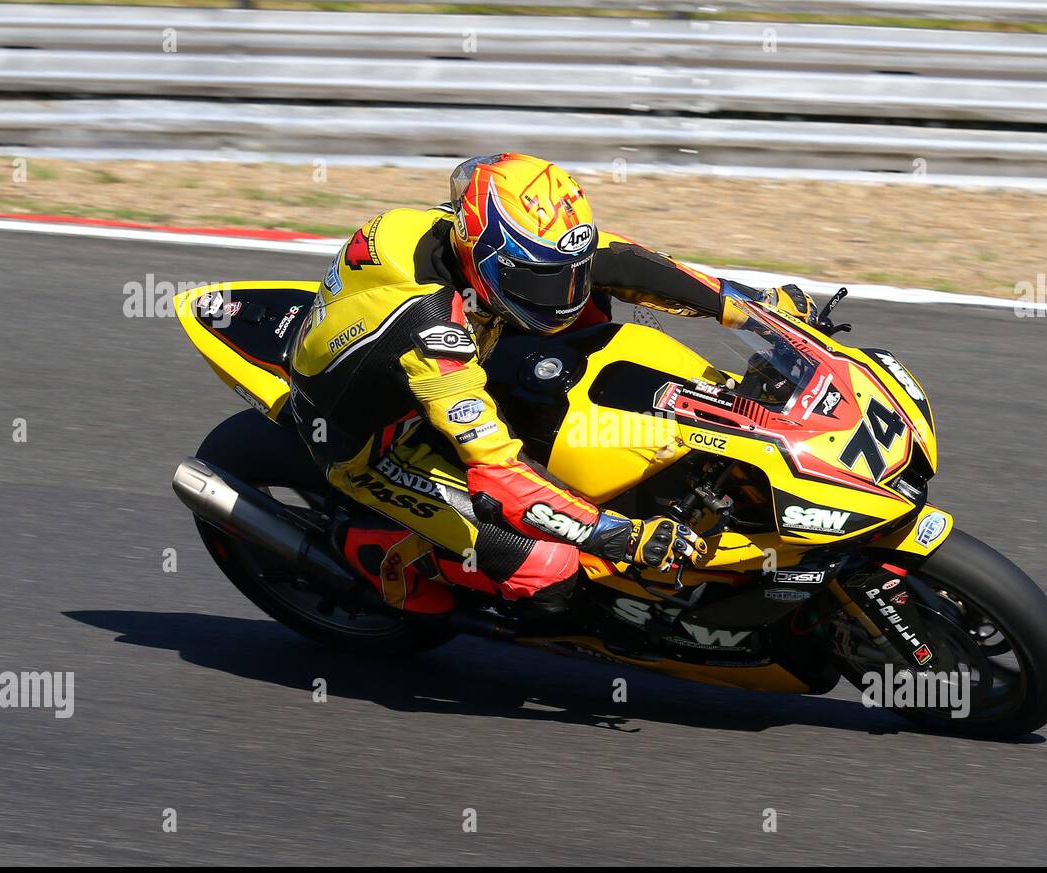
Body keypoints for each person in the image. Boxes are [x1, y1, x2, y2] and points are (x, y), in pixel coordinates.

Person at [287, 153, 817, 617]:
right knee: (550, 567)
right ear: (486, 253)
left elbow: (628, 263)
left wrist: (753, 306)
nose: (561, 295)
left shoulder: (488, 238)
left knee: (592, 319)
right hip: (379, 440)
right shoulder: (431, 331)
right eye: (539, 280)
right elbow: (497, 477)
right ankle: (381, 555)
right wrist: (623, 536)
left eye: (566, 273)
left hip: (458, 344)